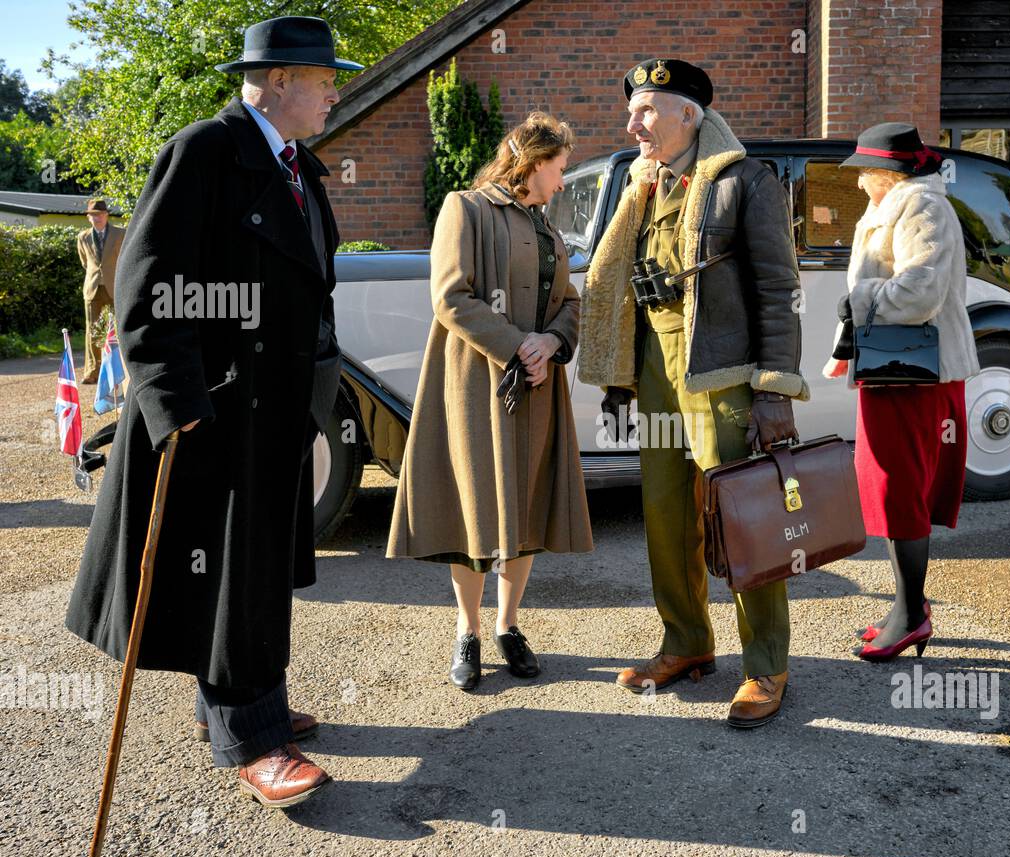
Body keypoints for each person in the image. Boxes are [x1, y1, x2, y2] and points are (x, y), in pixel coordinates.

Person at [65, 16, 364, 808]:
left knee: (253, 570)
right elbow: (146, 287)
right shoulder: (204, 151)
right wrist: (178, 407)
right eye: (324, 76)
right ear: (278, 82)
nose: (336, 89)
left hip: (276, 412)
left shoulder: (295, 163)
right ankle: (253, 734)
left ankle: (234, 700)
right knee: (230, 573)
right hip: (217, 412)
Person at [579, 58, 807, 728]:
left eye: (647, 109)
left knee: (746, 520)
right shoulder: (640, 183)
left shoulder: (744, 182)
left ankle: (766, 664)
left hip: (722, 375)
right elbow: (619, 279)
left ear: (689, 114)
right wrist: (620, 376)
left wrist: (772, 390)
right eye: (632, 111)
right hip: (655, 367)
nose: (633, 124)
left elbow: (778, 292)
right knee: (665, 512)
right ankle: (686, 642)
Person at [387, 112, 593, 692]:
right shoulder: (465, 208)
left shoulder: (547, 228)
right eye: (559, 169)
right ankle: (468, 631)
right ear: (531, 164)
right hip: (479, 384)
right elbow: (450, 296)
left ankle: (508, 627)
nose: (561, 181)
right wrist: (515, 345)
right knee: (476, 507)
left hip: (536, 387)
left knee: (524, 509)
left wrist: (552, 341)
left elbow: (569, 302)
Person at [823, 122, 980, 661]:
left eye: (865, 171)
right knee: (891, 489)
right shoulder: (899, 205)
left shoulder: (922, 208)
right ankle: (906, 608)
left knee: (900, 490)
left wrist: (861, 301)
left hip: (915, 377)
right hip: (896, 370)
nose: (860, 182)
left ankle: (911, 615)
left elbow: (922, 289)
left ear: (889, 173)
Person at [76, 199, 125, 384]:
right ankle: (93, 371)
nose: (96, 218)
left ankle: (121, 371)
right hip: (93, 288)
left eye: (100, 214)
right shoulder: (83, 237)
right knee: (93, 331)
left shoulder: (121, 234)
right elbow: (85, 263)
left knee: (119, 330)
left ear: (107, 215)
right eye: (93, 215)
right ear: (89, 218)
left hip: (115, 287)